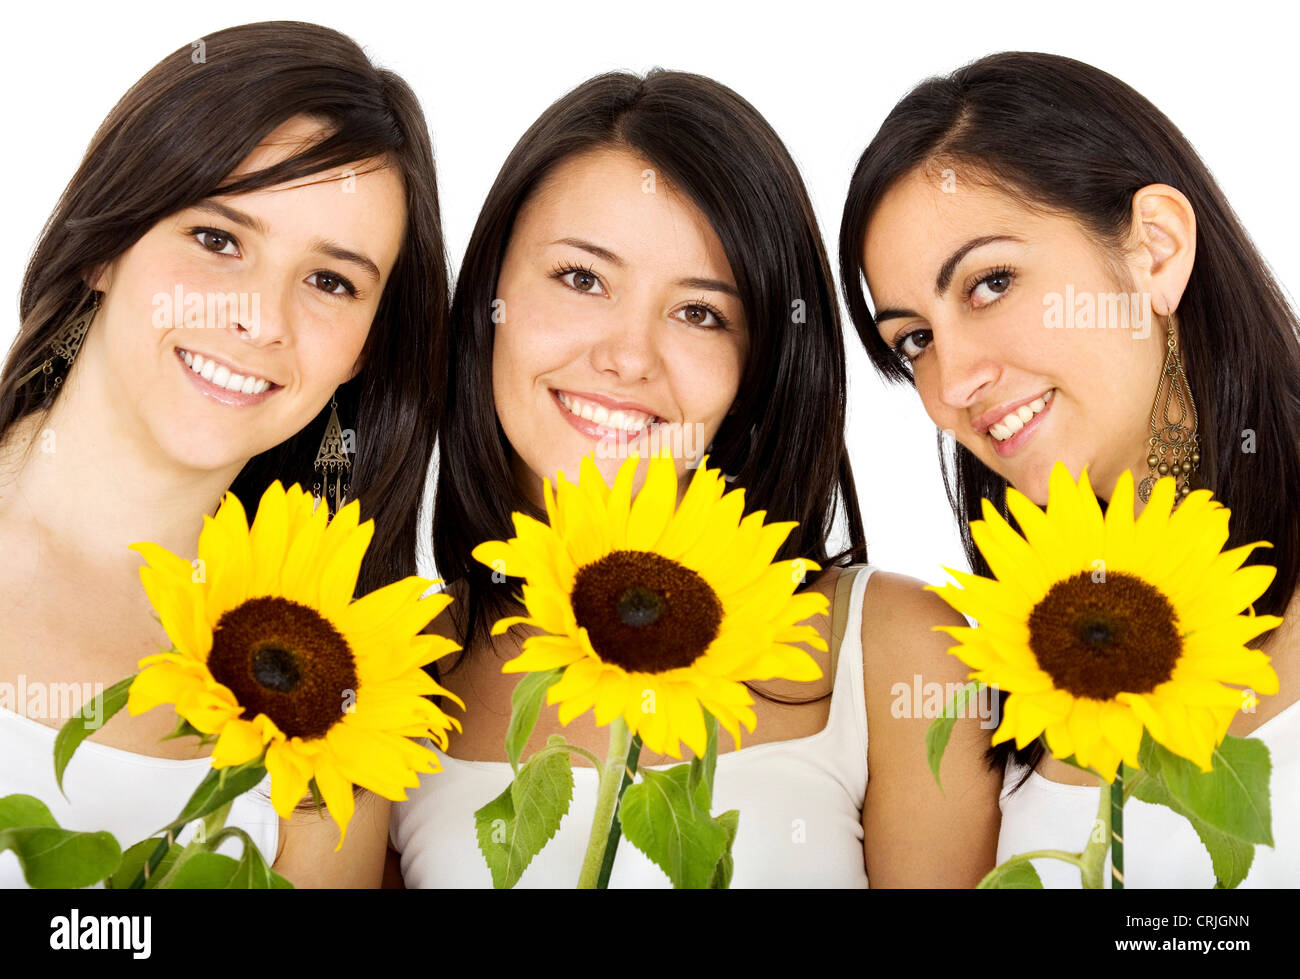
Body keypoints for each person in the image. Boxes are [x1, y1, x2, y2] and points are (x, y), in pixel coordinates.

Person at [390, 69, 1002, 888]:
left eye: (700, 312)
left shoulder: (898, 654)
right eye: (581, 278)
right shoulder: (392, 669)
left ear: (758, 368)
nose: (627, 356)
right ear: (490, 296)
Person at [0, 20, 449, 888]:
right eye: (219, 239)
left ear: (363, 348)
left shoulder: (341, 686)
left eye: (331, 281)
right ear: (106, 242)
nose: (262, 319)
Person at [839, 51, 1300, 886]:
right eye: (915, 338)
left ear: (1154, 251)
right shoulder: (993, 674)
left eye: (990, 283)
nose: (952, 383)